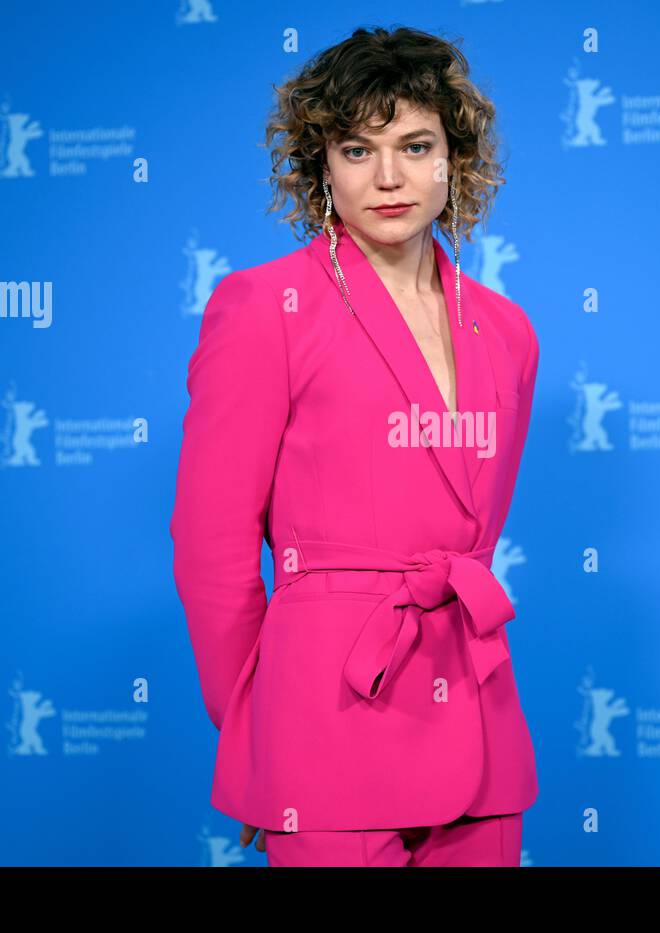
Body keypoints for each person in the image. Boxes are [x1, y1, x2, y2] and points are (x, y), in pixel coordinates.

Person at [169, 25, 539, 867]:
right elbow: (210, 544)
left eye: (415, 146)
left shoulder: (510, 333)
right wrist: (261, 719)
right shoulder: (265, 308)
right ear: (320, 166)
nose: (388, 177)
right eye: (356, 148)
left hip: (477, 718)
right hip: (322, 720)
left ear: (456, 158)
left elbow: (473, 535)